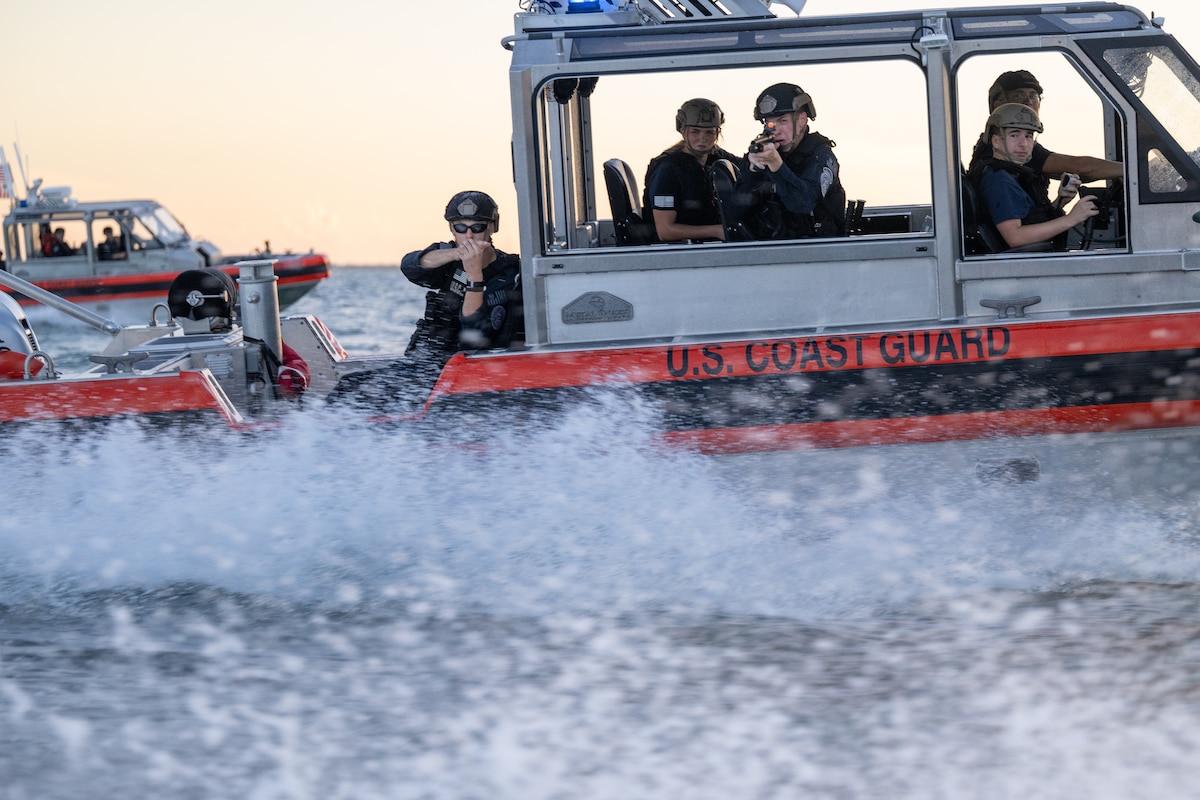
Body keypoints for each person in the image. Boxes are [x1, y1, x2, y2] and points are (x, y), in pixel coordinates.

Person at [400, 190, 523, 361]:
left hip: (480, 362)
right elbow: (410, 267)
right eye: (461, 228)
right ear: (452, 228)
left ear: (492, 227)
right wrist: (456, 254)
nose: (469, 235)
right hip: (432, 359)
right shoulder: (447, 259)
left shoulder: (511, 273)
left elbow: (474, 332)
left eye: (477, 227)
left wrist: (474, 276)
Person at [967, 69, 1123, 189]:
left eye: (1034, 96)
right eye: (1018, 95)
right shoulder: (1005, 146)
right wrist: (1130, 169)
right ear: (998, 104)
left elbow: (1077, 174)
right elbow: (1078, 167)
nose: (1029, 102)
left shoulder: (1009, 142)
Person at [973, 103, 1098, 251]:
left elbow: (1030, 221)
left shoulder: (1011, 176)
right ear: (996, 141)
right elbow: (1015, 237)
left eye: (1029, 136)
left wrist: (1060, 201)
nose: (1024, 143)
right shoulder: (999, 180)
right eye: (1014, 135)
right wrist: (1072, 219)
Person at [732, 82, 847, 240]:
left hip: (819, 248)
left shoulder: (821, 156)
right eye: (770, 123)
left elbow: (803, 204)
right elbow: (736, 213)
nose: (776, 130)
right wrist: (752, 174)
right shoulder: (762, 152)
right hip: (771, 247)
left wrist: (776, 166)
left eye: (783, 121)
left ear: (801, 120)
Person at [642, 98, 740, 242]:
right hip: (678, 252)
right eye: (695, 131)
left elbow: (747, 168)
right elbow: (665, 231)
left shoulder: (716, 157)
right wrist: (718, 230)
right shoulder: (667, 171)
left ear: (717, 133)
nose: (702, 138)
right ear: (682, 130)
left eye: (709, 132)